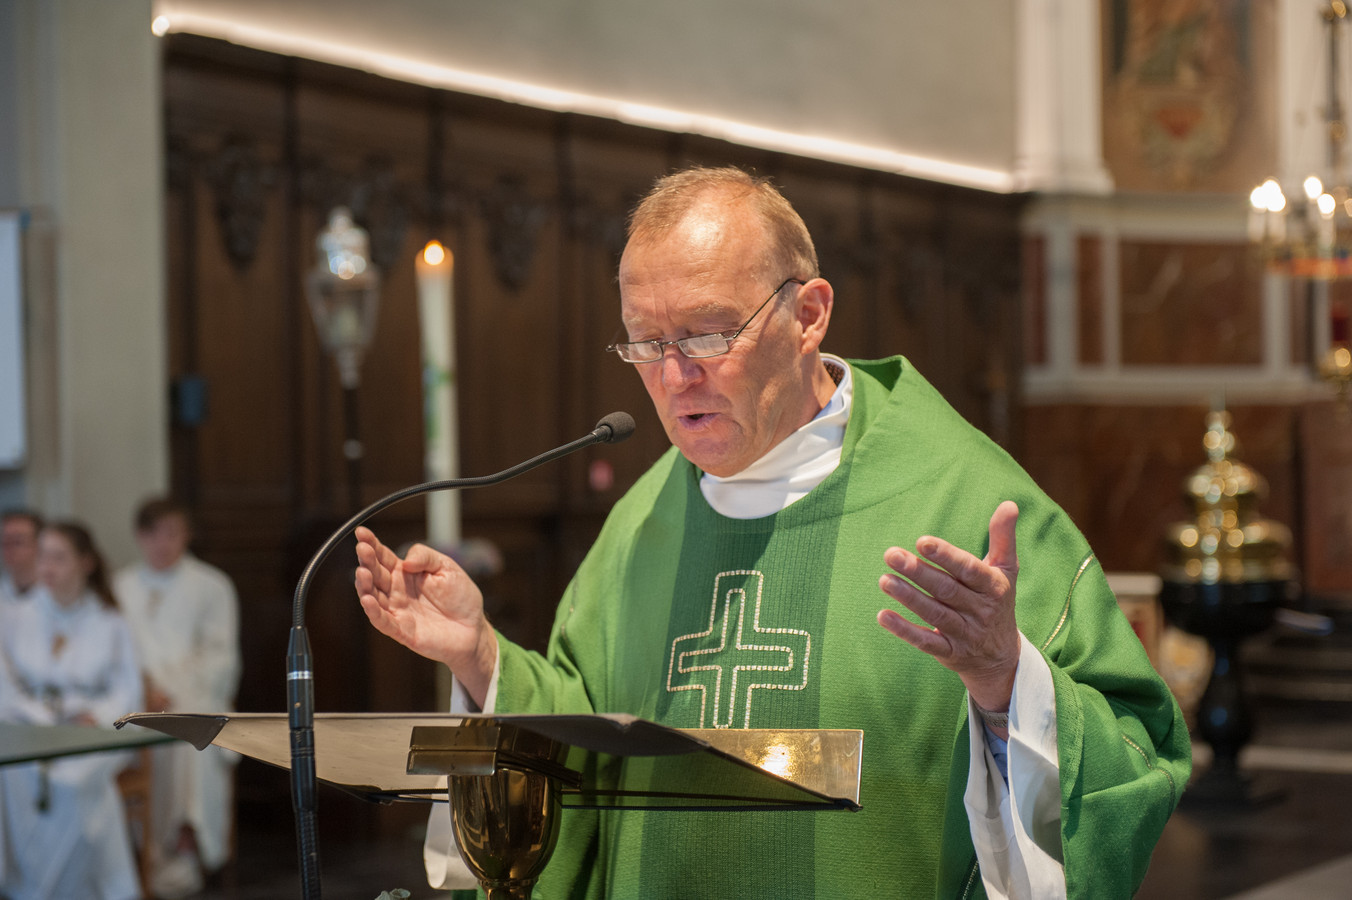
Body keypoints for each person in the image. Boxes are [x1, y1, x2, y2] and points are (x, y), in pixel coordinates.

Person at [354, 166, 1190, 899]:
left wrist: (1011, 684)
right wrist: (483, 661)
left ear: (810, 314)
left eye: (710, 333)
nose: (675, 375)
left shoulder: (965, 502)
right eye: (645, 342)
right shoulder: (643, 524)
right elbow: (586, 736)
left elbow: (1131, 755)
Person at [0, 521, 144, 900]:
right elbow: (6, 685)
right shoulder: (16, 615)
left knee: (74, 782)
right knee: (15, 776)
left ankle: (78, 889)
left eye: (59, 557)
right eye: (43, 555)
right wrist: (41, 717)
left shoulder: (110, 621)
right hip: (31, 727)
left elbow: (128, 689)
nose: (47, 566)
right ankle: (27, 886)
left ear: (86, 563)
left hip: (95, 732)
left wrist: (95, 715)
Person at [113, 497, 241, 899]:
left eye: (172, 533)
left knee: (190, 738)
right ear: (139, 537)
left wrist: (170, 690)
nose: (162, 544)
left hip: (193, 698)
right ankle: (138, 849)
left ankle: (184, 846)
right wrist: (142, 687)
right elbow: (115, 651)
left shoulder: (212, 584)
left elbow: (220, 656)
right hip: (134, 699)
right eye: (153, 534)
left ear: (186, 534)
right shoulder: (121, 586)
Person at [0, 509, 44, 610]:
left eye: (17, 541)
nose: (9, 548)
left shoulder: (56, 594)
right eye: (4, 541)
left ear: (40, 544)